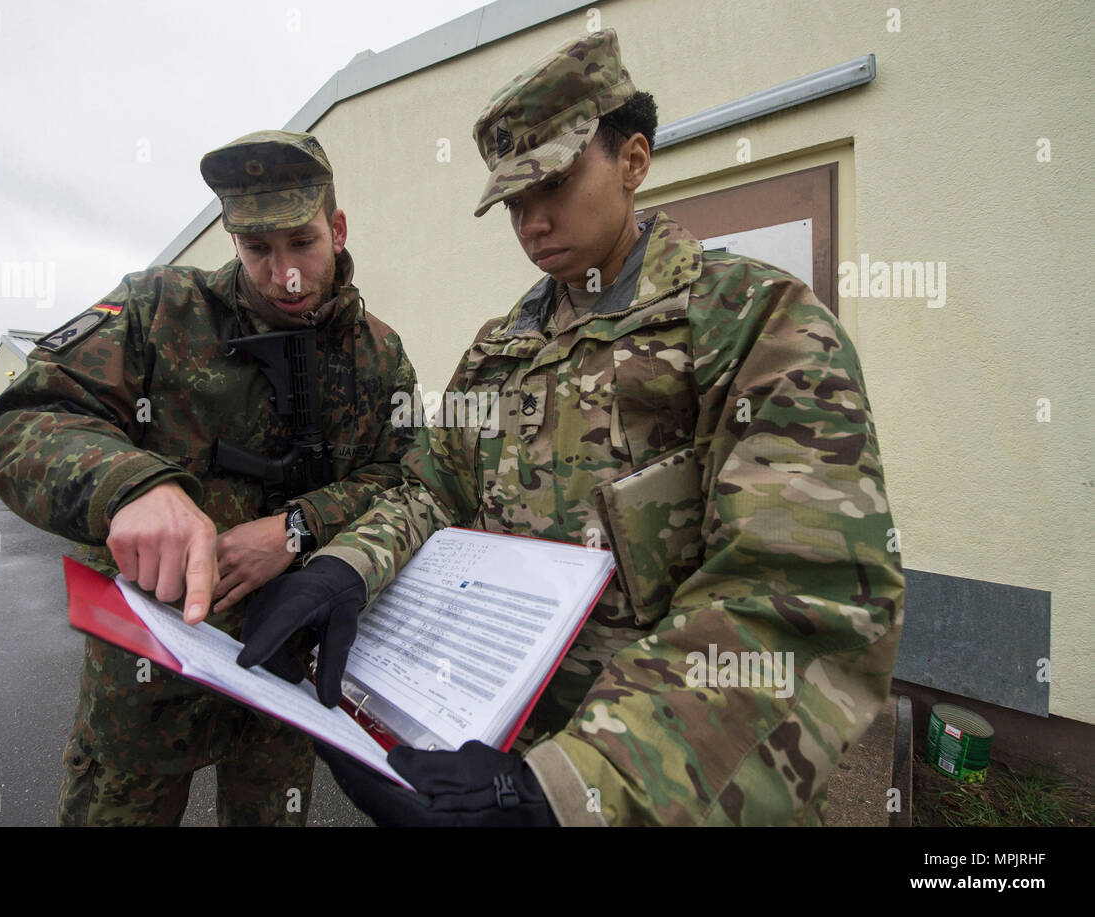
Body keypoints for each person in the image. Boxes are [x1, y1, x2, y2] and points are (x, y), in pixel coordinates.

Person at [236, 30, 904, 826]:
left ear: (633, 160)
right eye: (515, 201)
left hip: (662, 793)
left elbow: (803, 598)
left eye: (552, 183)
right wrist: (344, 566)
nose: (532, 220)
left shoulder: (752, 321)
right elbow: (431, 490)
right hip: (488, 750)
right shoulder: (498, 348)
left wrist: (568, 787)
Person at [0, 130, 419, 826]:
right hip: (146, 678)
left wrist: (299, 527)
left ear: (337, 229)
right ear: (233, 242)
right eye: (258, 250)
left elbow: (402, 478)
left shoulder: (379, 355)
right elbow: (24, 415)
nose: (286, 276)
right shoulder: (160, 310)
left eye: (302, 243)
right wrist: (131, 481)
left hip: (284, 671)